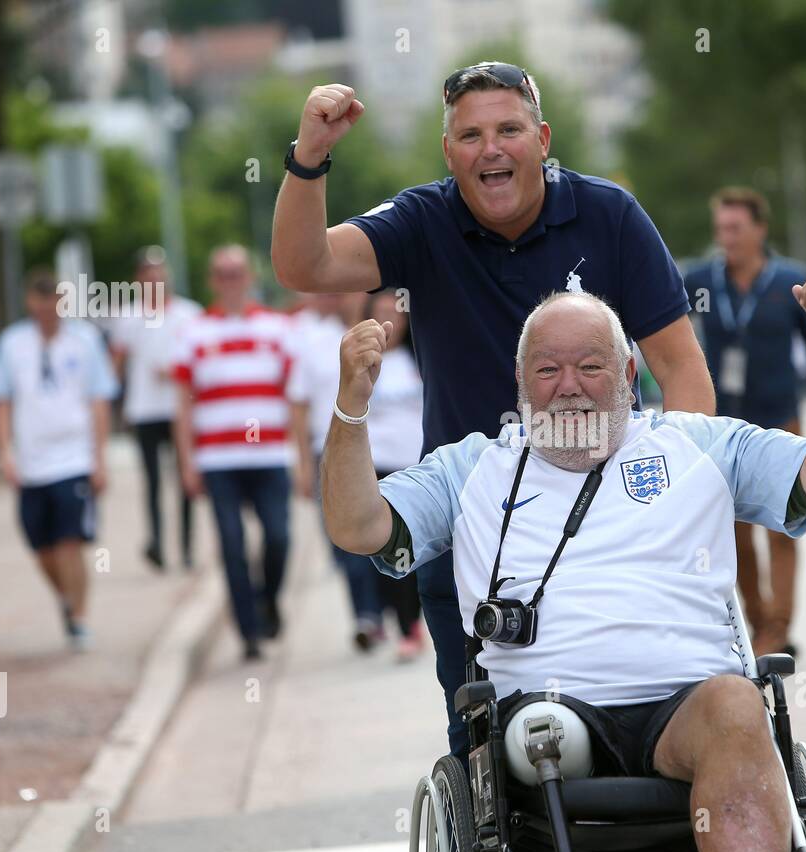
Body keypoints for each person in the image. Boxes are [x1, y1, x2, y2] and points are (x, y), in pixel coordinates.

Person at [323, 280, 806, 852]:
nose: (569, 388)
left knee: (737, 708)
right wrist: (350, 406)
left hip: (689, 705)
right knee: (545, 735)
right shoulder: (473, 468)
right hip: (546, 716)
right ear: (521, 384)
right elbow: (357, 526)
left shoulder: (696, 445)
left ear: (629, 374)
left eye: (590, 366)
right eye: (548, 370)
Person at [272, 61, 715, 757]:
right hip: (475, 523)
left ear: (541, 139)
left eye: (509, 129)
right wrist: (309, 160)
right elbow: (306, 268)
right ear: (449, 154)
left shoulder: (610, 216)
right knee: (489, 748)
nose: (492, 148)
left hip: (603, 513)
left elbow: (681, 365)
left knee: (646, 711)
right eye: (471, 135)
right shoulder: (423, 221)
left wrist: (681, 491)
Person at [684, 187, 806, 658]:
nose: (727, 237)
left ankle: (781, 628)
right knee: (735, 532)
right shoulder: (702, 280)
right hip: (725, 423)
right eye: (721, 228)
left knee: (786, 523)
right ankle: (759, 622)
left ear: (759, 229)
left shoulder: (789, 281)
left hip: (780, 417)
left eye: (736, 228)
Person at [172, 246, 296, 660]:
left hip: (269, 454)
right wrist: (186, 462)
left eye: (237, 272)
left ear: (250, 276)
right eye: (222, 273)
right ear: (212, 280)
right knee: (230, 544)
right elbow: (182, 403)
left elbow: (295, 396)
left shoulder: (277, 329)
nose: (230, 280)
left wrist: (298, 453)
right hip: (218, 459)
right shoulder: (194, 331)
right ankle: (248, 631)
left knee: (278, 536)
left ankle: (267, 600)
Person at [288, 289, 427, 659]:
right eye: (379, 314)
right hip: (365, 469)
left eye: (395, 314)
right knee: (357, 549)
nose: (388, 323)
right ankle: (369, 618)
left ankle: (409, 625)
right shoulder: (354, 360)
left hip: (409, 467)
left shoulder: (420, 359)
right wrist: (306, 465)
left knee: (403, 551)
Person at [0, 268, 119, 650]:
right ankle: (66, 596)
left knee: (69, 542)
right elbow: (2, 401)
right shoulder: (12, 344)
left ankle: (79, 618)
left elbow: (99, 401)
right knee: (41, 546)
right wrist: (5, 453)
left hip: (73, 458)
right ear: (30, 302)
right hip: (32, 461)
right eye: (40, 301)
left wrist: (99, 458)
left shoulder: (84, 340)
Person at [110, 246, 202, 570]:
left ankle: (187, 547)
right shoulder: (128, 317)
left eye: (159, 274)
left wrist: (176, 374)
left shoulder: (188, 314)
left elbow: (199, 362)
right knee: (152, 481)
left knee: (185, 479)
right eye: (148, 275)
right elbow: (117, 364)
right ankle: (157, 543)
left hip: (179, 408)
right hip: (145, 408)